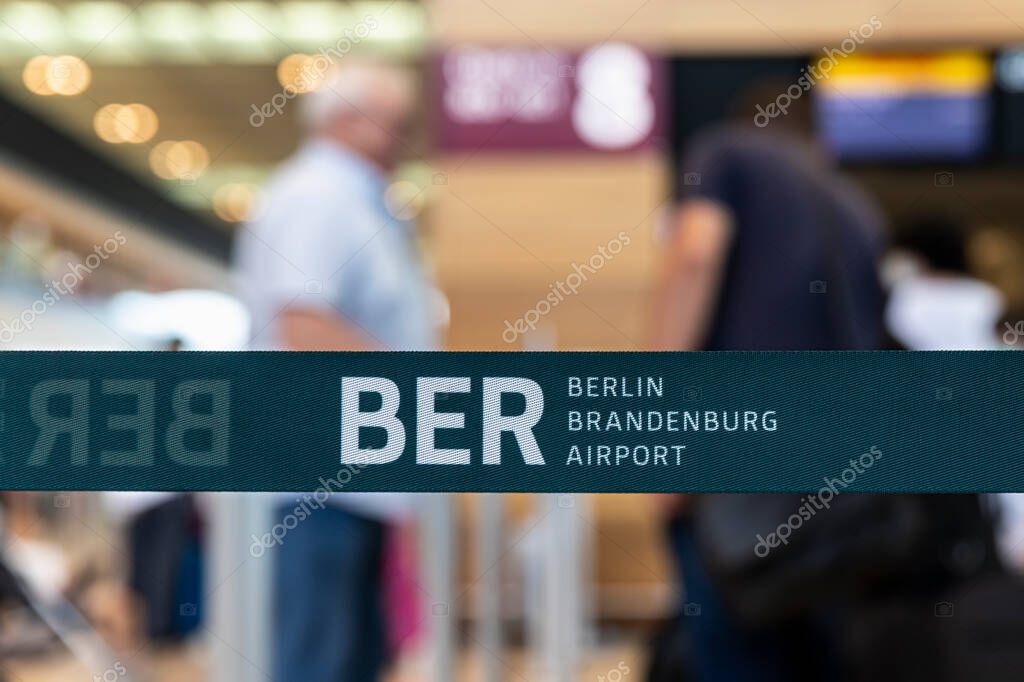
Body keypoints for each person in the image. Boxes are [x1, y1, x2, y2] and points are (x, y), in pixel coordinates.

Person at [650, 83, 885, 681]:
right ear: (821, 142)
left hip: (739, 452)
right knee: (816, 648)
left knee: (728, 640)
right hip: (844, 471)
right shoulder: (857, 206)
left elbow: (695, 254)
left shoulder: (725, 152)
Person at [234, 60, 440, 682]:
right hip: (319, 483)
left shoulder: (361, 203)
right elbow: (304, 325)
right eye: (394, 123)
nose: (404, 138)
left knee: (353, 655)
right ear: (345, 120)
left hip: (357, 480)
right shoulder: (318, 197)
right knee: (318, 659)